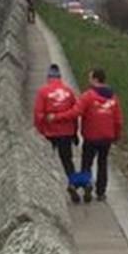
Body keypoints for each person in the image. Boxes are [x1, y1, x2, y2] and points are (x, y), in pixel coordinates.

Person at [49, 68, 122, 202]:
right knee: (102, 163)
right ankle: (101, 192)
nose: (88, 81)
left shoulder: (88, 96)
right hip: (107, 137)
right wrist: (116, 136)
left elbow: (75, 112)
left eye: (90, 78)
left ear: (95, 79)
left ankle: (86, 185)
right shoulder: (113, 97)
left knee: (87, 163)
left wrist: (56, 117)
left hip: (91, 136)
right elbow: (118, 120)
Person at [32, 64, 81, 203]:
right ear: (60, 77)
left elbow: (38, 113)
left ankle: (44, 193)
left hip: (49, 133)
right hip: (66, 132)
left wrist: (39, 130)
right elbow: (75, 114)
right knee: (67, 161)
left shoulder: (43, 91)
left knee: (45, 161)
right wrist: (75, 133)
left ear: (48, 77)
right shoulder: (69, 92)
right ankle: (73, 184)